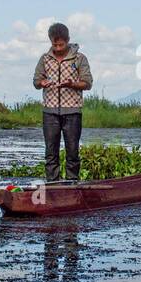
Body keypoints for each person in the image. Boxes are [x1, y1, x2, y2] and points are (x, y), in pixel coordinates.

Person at [32, 22, 93, 181]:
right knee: (51, 152)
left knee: (72, 151)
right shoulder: (44, 59)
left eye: (61, 44)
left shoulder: (79, 58)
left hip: (72, 112)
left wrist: (71, 84)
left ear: (68, 40)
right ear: (50, 41)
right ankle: (53, 184)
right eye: (54, 44)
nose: (58, 48)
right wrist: (42, 83)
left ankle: (72, 183)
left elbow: (87, 83)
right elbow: (36, 81)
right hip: (49, 112)